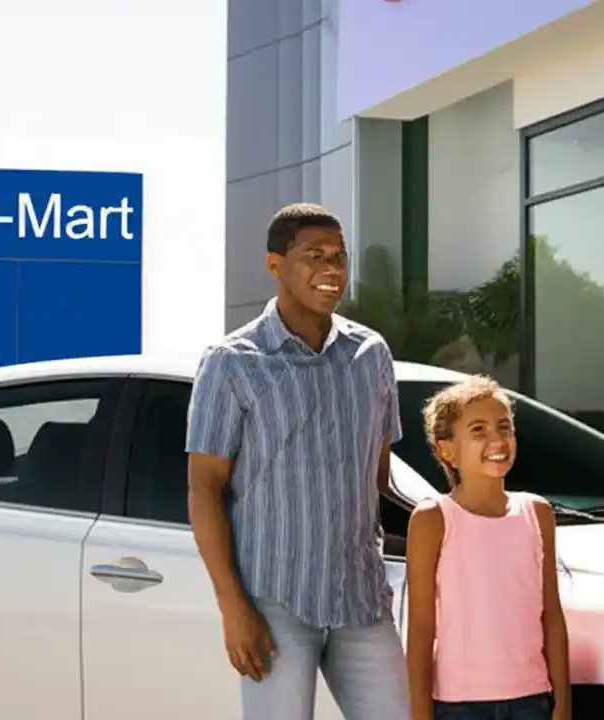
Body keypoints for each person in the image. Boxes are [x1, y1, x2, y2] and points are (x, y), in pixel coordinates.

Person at [186, 202, 412, 720]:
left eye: (339, 256)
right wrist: (233, 607)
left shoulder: (371, 354)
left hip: (361, 599)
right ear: (275, 266)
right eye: (314, 256)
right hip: (274, 603)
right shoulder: (231, 363)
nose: (332, 270)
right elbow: (205, 491)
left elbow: (378, 480)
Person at [405, 375, 572, 720]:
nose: (497, 439)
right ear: (446, 449)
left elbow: (551, 616)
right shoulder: (433, 519)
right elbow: (421, 629)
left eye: (504, 427)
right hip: (458, 705)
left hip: (532, 699)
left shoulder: (537, 513)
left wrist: (563, 702)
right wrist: (420, 713)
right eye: (478, 429)